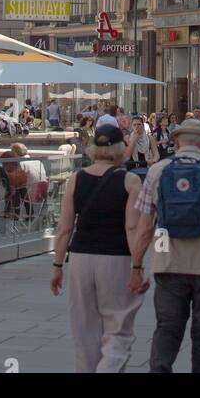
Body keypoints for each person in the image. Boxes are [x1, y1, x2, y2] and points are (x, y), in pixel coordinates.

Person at [131, 116, 200, 374]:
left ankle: (159, 370)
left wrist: (136, 266)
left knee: (167, 327)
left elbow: (146, 226)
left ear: (177, 141)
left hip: (166, 260)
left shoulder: (156, 171)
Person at [50, 125, 144, 372]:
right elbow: (132, 228)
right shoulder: (129, 180)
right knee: (118, 327)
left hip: (81, 258)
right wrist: (137, 266)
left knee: (84, 330)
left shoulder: (76, 179)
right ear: (120, 147)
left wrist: (58, 265)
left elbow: (64, 228)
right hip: (117, 259)